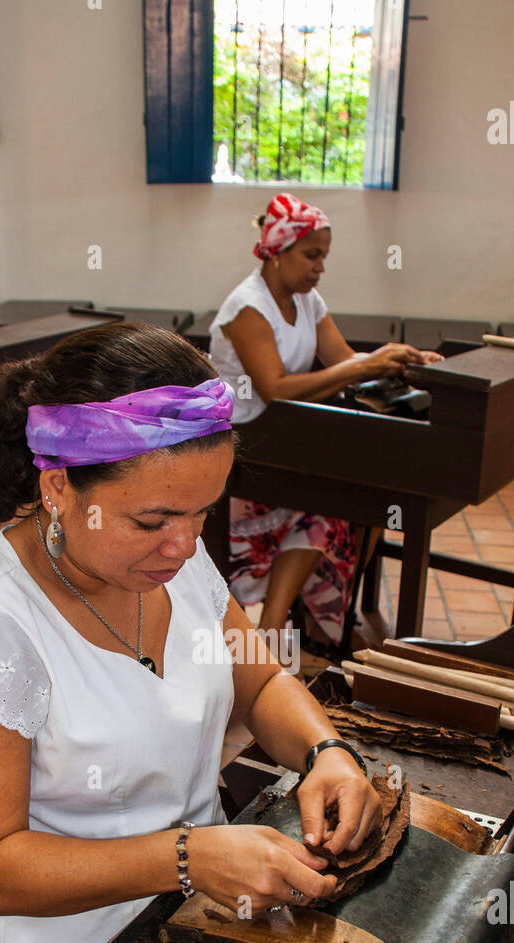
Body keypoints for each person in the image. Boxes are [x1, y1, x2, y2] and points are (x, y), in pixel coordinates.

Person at [0, 322, 382, 943]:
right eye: (152, 521)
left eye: (203, 513)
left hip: (191, 914)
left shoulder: (174, 557)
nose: (184, 545)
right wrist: (189, 857)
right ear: (58, 488)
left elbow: (262, 680)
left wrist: (325, 752)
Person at [209, 193, 441, 646]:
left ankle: (315, 624)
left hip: (284, 438)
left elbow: (343, 360)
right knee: (333, 501)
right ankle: (273, 629)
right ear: (277, 252)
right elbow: (274, 389)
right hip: (242, 450)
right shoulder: (248, 308)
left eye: (324, 257)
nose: (320, 267)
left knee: (367, 498)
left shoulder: (307, 300)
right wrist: (368, 364)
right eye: (311, 255)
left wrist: (399, 363)